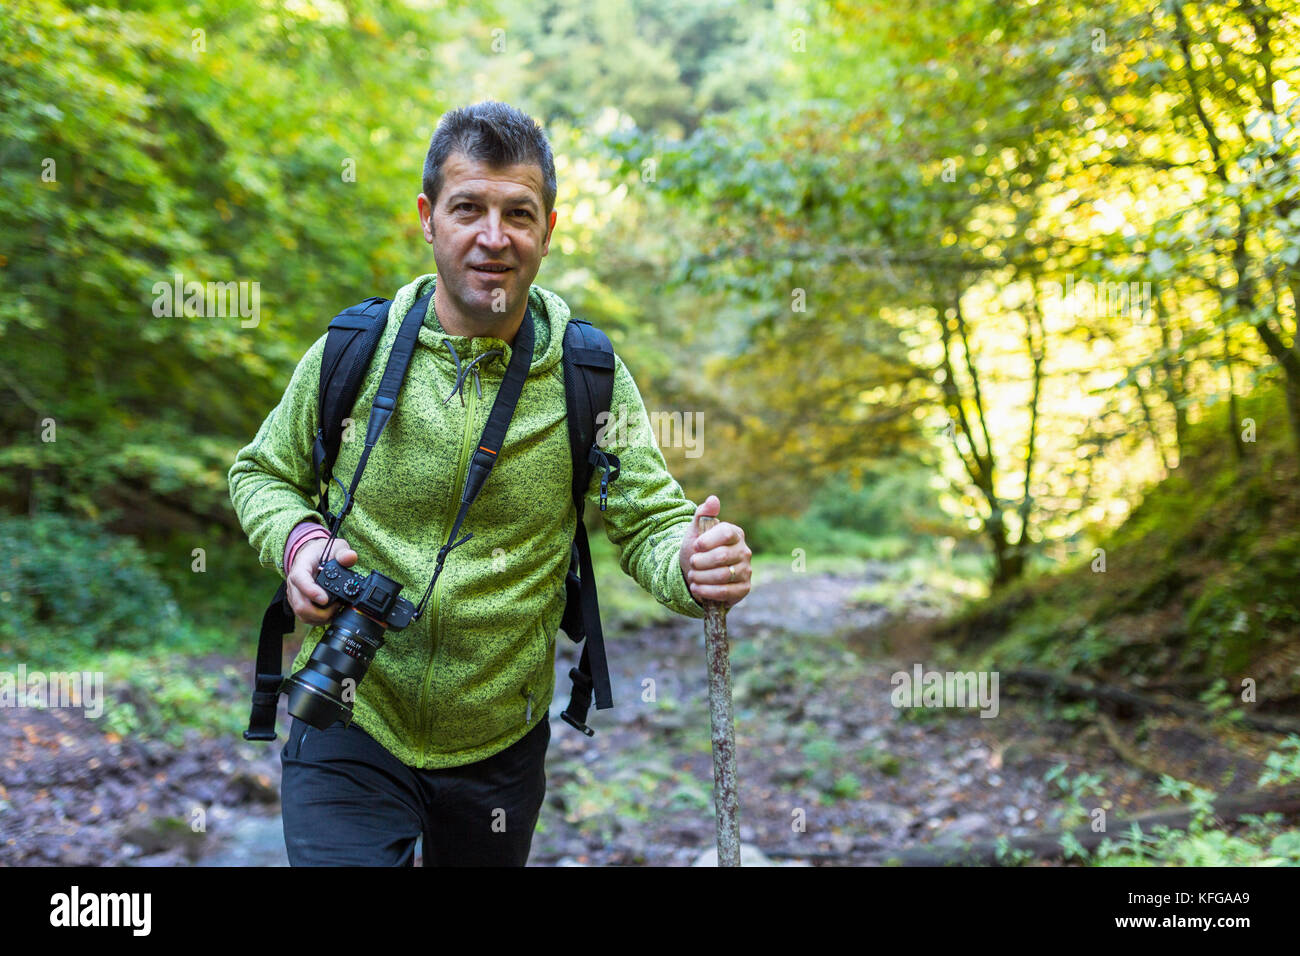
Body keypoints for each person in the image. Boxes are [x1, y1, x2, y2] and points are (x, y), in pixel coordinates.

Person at [226, 101, 752, 866]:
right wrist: (300, 543)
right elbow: (263, 472)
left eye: (519, 213)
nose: (493, 237)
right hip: (349, 710)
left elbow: (647, 521)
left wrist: (692, 563)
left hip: (500, 741)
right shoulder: (356, 347)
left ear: (549, 228)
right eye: (468, 207)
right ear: (427, 217)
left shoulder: (586, 373)